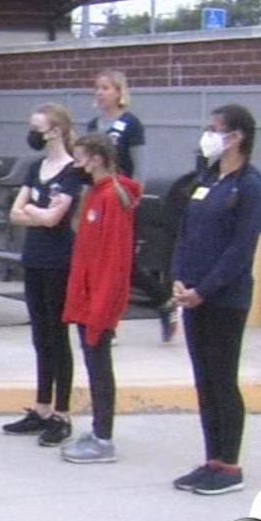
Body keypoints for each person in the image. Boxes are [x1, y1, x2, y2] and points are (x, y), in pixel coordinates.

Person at [170, 104, 261, 496]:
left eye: (215, 129)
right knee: (204, 380)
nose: (207, 136)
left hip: (224, 298)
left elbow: (240, 249)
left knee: (222, 379)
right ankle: (211, 458)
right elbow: (186, 232)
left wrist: (205, 289)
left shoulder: (250, 186)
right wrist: (179, 278)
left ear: (236, 137)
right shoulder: (207, 179)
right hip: (193, 294)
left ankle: (229, 463)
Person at [2, 104, 84, 447]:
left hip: (58, 260)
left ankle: (62, 413)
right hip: (34, 257)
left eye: (37, 127)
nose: (32, 133)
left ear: (55, 130)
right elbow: (15, 212)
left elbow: (54, 219)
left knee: (57, 335)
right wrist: (39, 211)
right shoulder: (37, 167)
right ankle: (41, 406)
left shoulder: (71, 172)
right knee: (39, 335)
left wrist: (35, 211)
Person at [59, 134, 142, 464]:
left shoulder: (111, 198)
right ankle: (97, 430)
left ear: (95, 158)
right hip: (87, 295)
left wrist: (100, 306)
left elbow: (113, 259)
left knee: (99, 364)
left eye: (79, 156)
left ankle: (104, 437)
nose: (75, 163)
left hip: (99, 300)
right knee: (94, 364)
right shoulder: (94, 194)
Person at [86, 69, 176, 342]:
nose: (101, 93)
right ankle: (109, 316)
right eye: (98, 88)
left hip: (121, 199)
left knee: (122, 264)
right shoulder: (93, 126)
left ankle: (158, 300)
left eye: (106, 88)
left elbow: (138, 168)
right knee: (101, 264)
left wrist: (132, 199)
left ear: (119, 92)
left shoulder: (130, 124)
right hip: (97, 199)